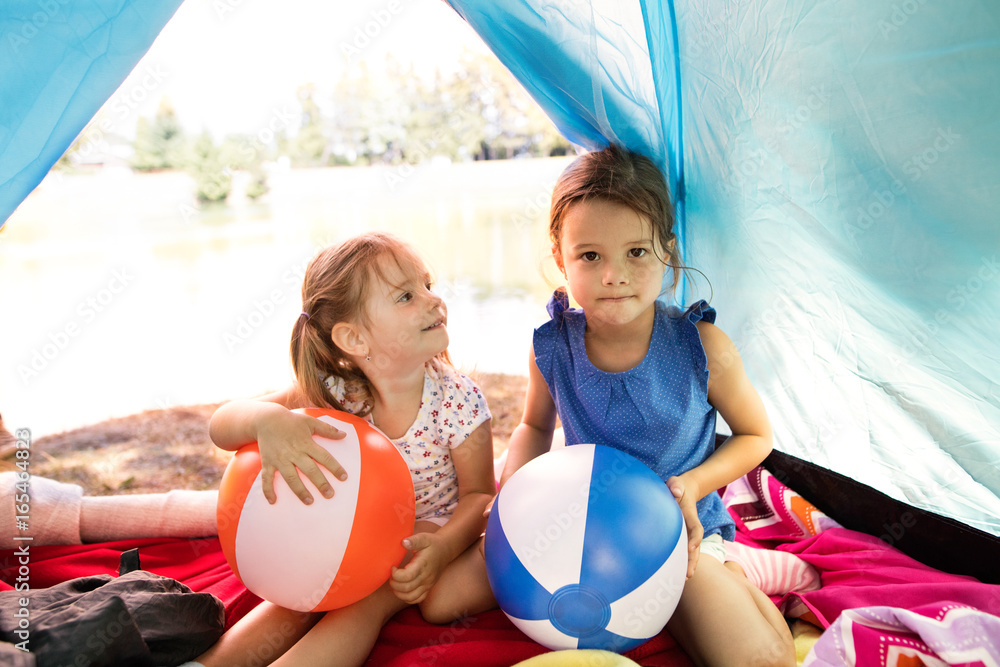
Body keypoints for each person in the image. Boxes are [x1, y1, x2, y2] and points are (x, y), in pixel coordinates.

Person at [496, 145, 797, 666]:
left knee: (760, 659)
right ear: (560, 259)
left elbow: (756, 436)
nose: (614, 275)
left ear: (667, 251)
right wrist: (507, 506)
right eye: (590, 256)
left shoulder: (702, 346)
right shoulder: (552, 346)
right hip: (576, 531)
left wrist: (691, 486)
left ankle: (734, 572)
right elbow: (531, 426)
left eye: (636, 252)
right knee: (446, 604)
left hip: (680, 531)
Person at [196, 232, 497, 667]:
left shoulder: (458, 402)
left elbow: (479, 497)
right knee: (296, 601)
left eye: (428, 285)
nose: (434, 301)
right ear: (354, 340)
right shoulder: (338, 393)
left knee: (363, 603)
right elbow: (221, 425)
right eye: (406, 296)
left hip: (428, 531)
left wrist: (446, 548)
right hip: (347, 534)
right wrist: (266, 422)